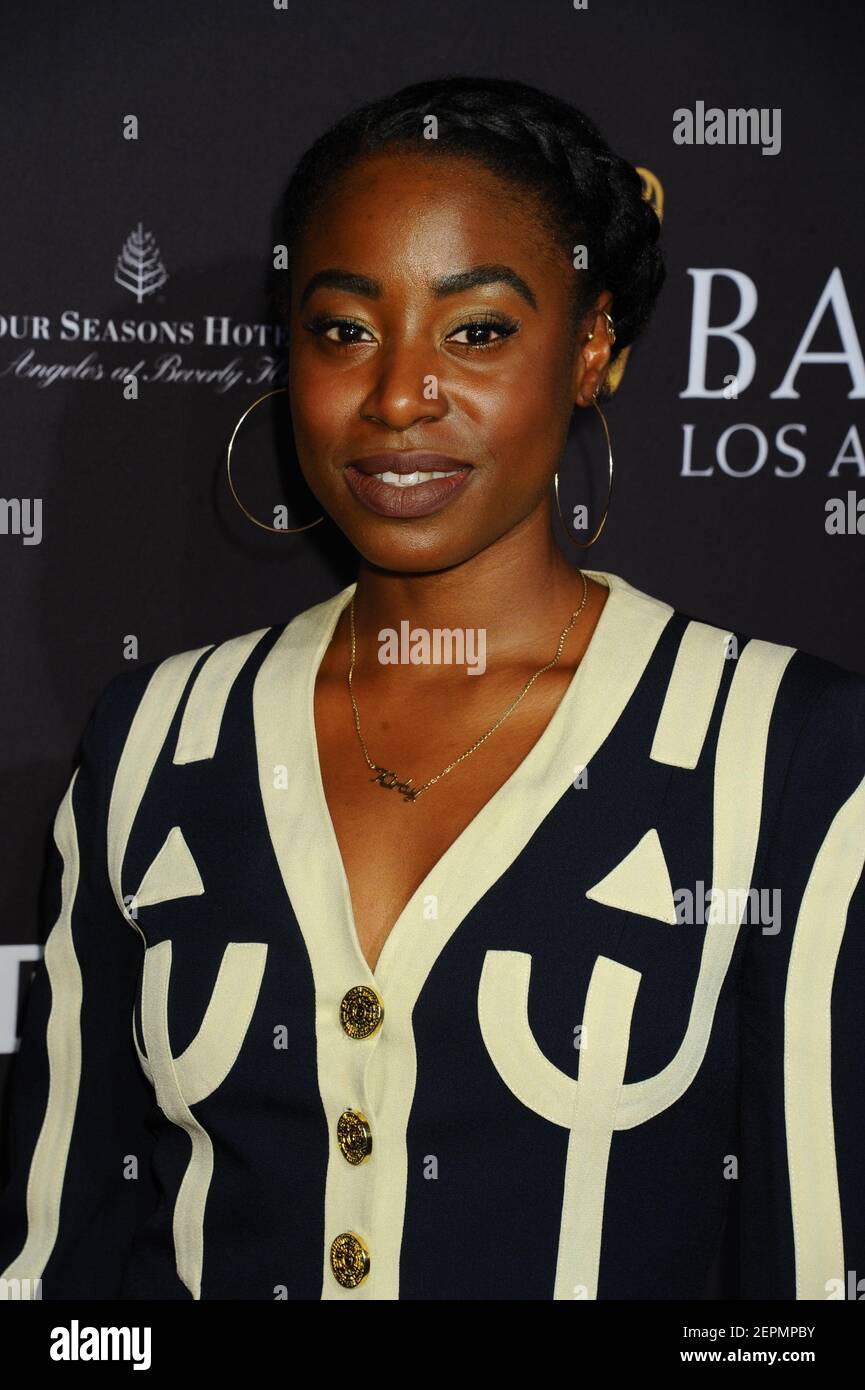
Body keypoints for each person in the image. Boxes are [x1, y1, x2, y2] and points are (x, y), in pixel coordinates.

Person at [1, 75, 863, 1302]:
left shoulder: (790, 757)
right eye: (344, 328)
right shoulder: (153, 741)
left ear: (593, 349)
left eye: (477, 331)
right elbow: (54, 1270)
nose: (398, 396)